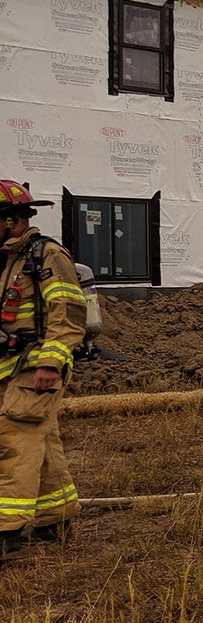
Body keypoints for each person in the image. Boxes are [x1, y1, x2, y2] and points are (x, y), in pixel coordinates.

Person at [0, 180, 86, 557]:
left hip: (37, 365)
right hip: (12, 366)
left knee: (13, 443)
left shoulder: (47, 256)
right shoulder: (8, 259)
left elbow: (67, 315)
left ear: (11, 220)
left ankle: (6, 531)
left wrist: (51, 363)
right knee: (42, 440)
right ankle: (57, 517)